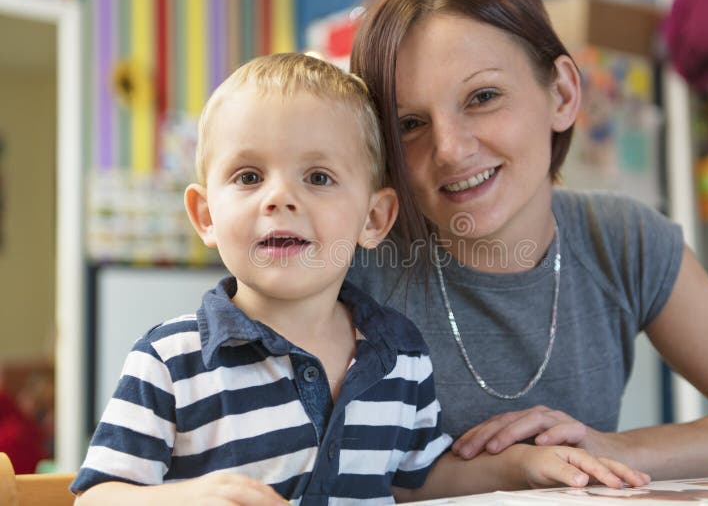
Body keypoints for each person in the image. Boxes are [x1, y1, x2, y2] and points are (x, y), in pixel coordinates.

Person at [70, 53, 648, 505]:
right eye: (248, 176)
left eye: (318, 177)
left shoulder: (400, 355)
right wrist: (182, 499)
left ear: (374, 219)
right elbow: (97, 496)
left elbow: (420, 478)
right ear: (205, 216)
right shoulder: (169, 360)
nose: (280, 198)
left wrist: (522, 466)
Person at [347, 0, 708, 481]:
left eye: (483, 97)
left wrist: (614, 450)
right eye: (410, 123)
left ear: (561, 93)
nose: (450, 149)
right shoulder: (352, 263)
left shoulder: (621, 240)